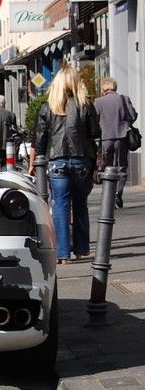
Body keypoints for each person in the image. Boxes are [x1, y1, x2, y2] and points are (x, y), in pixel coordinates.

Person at [29, 64, 100, 264]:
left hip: (57, 161)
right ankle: (81, 248)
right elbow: (95, 133)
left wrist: (37, 161)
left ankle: (62, 254)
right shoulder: (85, 104)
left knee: (59, 205)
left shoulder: (48, 106)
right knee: (80, 204)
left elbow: (40, 138)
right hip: (81, 161)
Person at [95, 77, 138, 208]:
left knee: (107, 167)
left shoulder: (98, 101)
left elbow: (93, 120)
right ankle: (118, 194)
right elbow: (133, 115)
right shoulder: (123, 99)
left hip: (106, 138)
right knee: (121, 166)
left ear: (104, 89)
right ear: (115, 87)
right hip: (122, 137)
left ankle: (110, 194)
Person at [0, 95, 18, 171]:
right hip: (7, 145)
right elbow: (15, 129)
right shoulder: (11, 115)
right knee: (6, 165)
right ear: (4, 103)